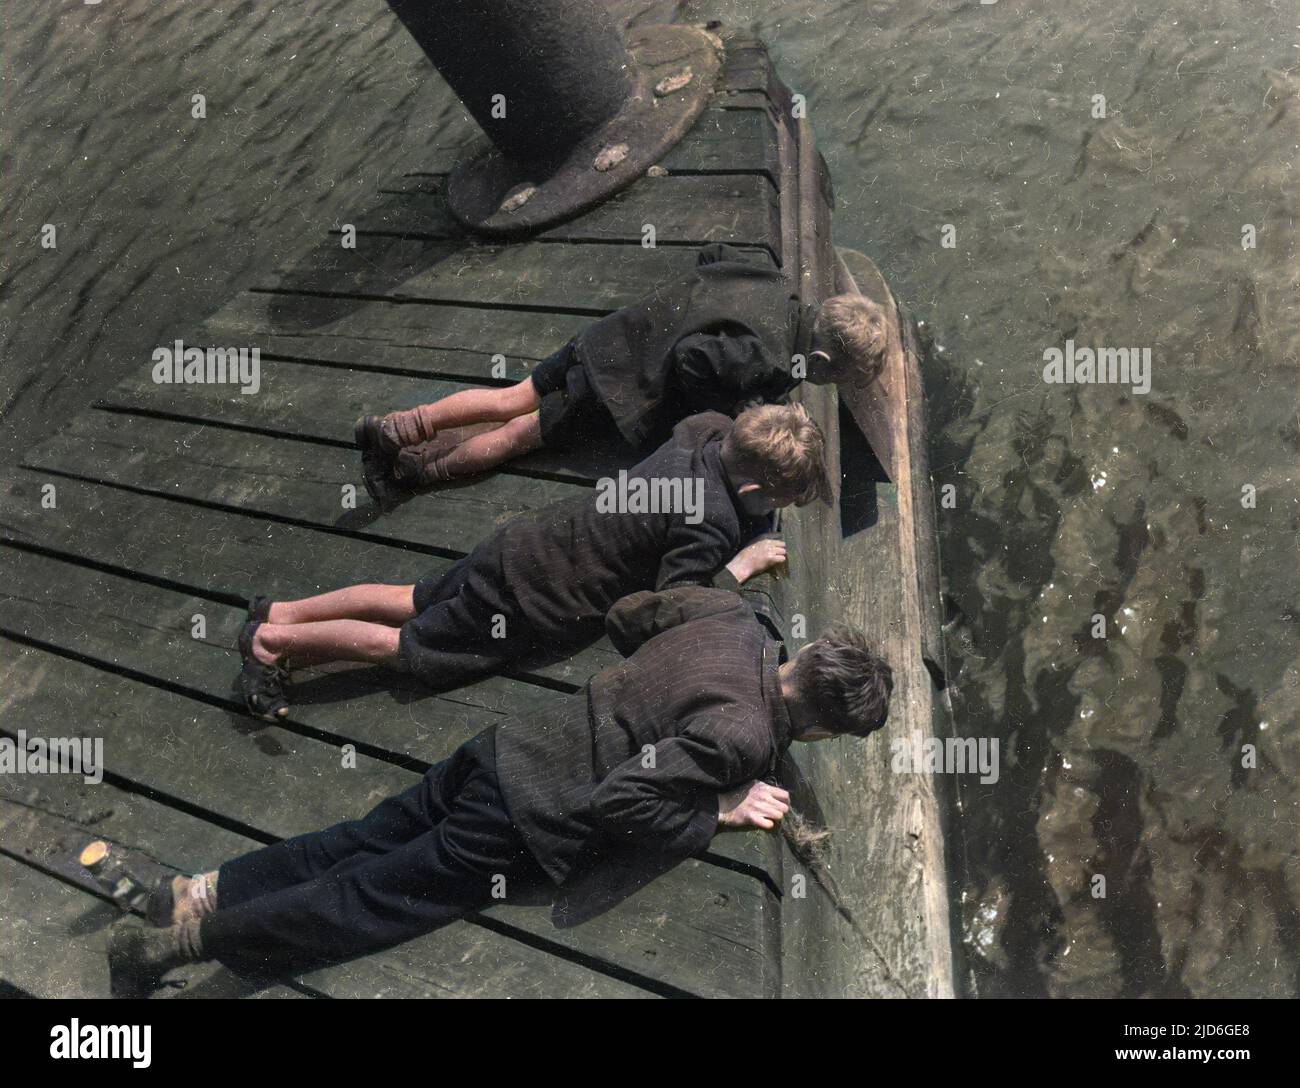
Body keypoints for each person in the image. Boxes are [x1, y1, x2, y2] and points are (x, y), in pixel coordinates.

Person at [108, 585, 893, 995]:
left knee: (360, 838)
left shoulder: (738, 620)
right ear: (820, 732)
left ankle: (199, 892)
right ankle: (175, 944)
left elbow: (630, 616)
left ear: (813, 649)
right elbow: (625, 801)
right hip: (518, 820)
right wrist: (718, 808)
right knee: (365, 901)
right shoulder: (744, 738)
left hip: (499, 749)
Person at [237, 404, 830, 719]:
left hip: (526, 541)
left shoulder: (703, 431)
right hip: (530, 595)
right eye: (780, 500)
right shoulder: (711, 520)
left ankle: (283, 610)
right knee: (409, 645)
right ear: (754, 497)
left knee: (411, 596)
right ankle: (269, 644)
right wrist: (742, 566)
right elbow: (677, 600)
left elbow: (719, 454)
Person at [355, 243, 886, 509]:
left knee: (509, 396)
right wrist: (725, 410)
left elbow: (714, 254)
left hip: (609, 337)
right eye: (830, 380)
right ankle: (414, 473)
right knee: (522, 434)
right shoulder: (765, 360)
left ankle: (400, 428)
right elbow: (691, 361)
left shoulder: (773, 274)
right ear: (817, 365)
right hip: (615, 387)